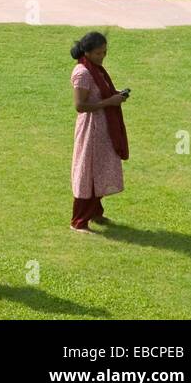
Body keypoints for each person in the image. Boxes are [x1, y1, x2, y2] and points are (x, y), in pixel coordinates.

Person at [69, 31, 129, 233]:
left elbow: (99, 92)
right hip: (90, 129)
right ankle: (79, 220)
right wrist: (109, 102)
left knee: (100, 169)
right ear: (87, 52)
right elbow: (80, 105)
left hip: (103, 129)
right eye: (98, 53)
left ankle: (95, 211)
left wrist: (115, 95)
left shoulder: (96, 69)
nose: (102, 57)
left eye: (104, 52)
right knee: (87, 172)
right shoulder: (83, 73)